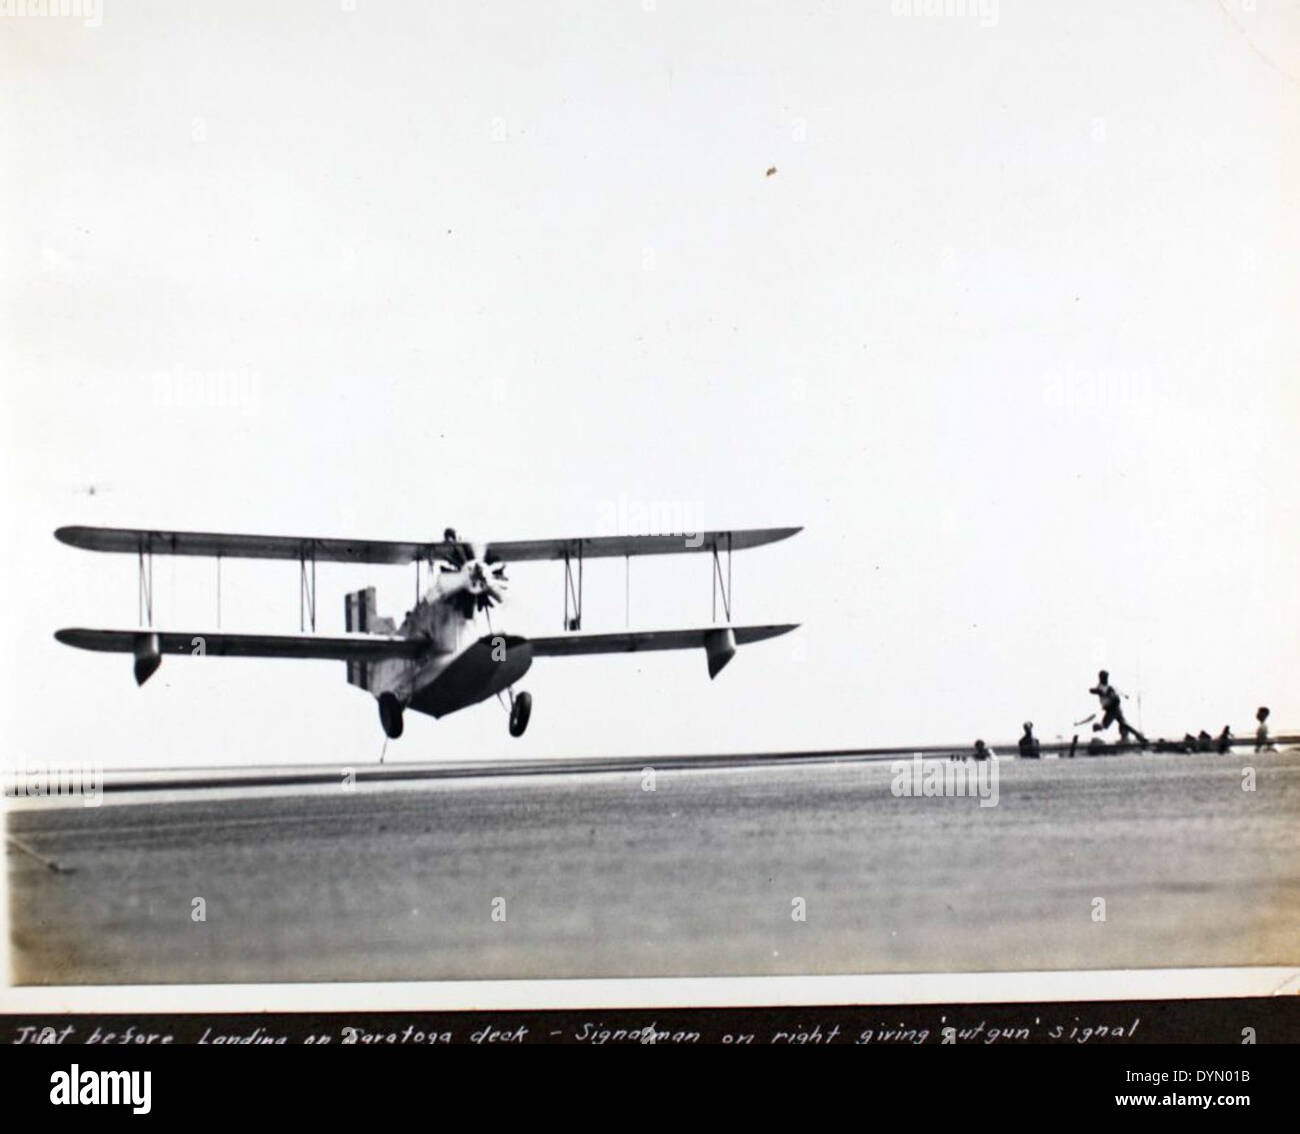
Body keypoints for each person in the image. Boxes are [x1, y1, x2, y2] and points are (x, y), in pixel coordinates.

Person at [1088, 669, 1148, 747]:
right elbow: (1093, 690)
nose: (1105, 679)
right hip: (1112, 709)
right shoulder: (1101, 686)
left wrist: (1109, 697)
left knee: (1108, 725)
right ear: (1100, 678)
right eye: (1103, 677)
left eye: (1106, 677)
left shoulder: (1110, 687)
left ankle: (1139, 737)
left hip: (1113, 709)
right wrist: (1100, 692)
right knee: (1123, 724)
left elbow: (1116, 699)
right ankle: (1140, 737)